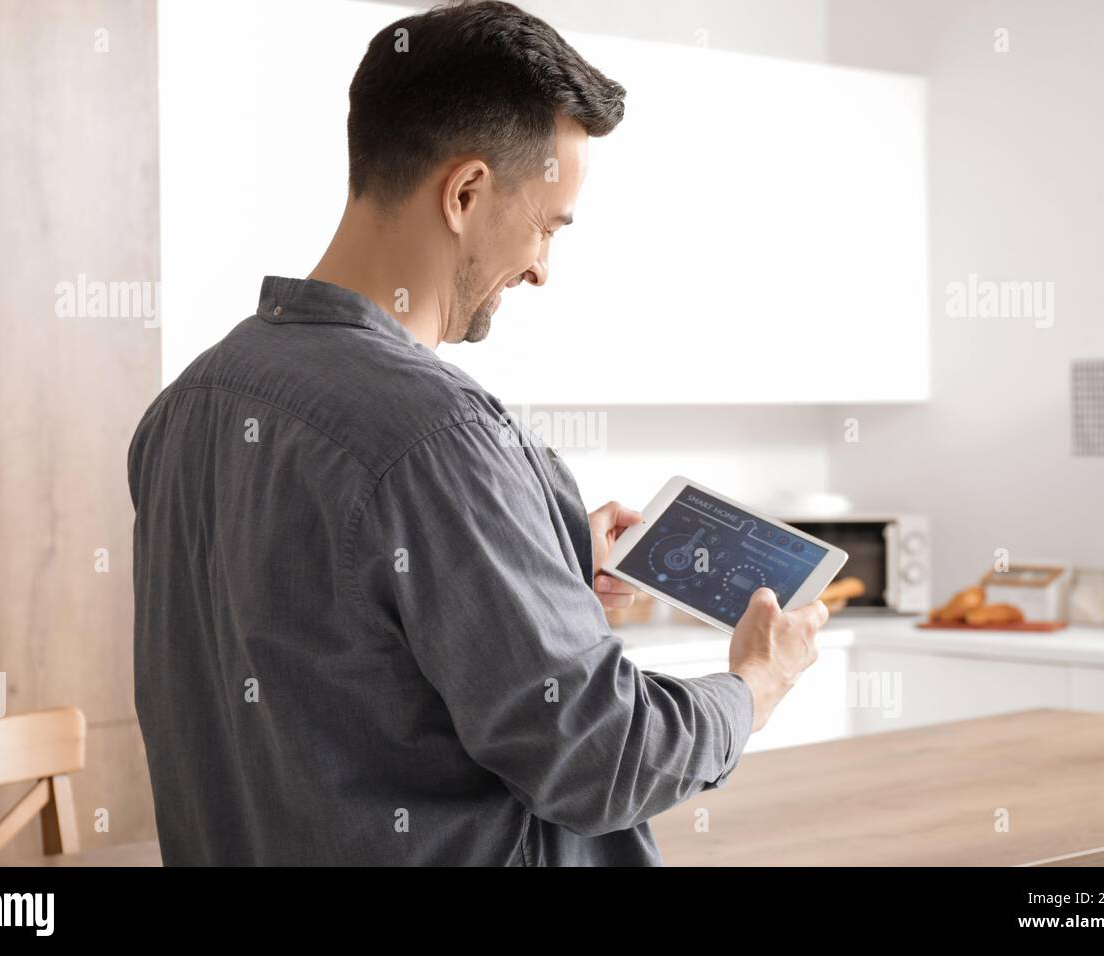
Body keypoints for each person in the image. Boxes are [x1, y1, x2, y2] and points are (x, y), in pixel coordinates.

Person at [128, 0, 827, 866]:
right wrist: (755, 684)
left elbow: (335, 649)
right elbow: (601, 760)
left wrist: (546, 558)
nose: (542, 268)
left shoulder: (185, 409)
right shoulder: (438, 439)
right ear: (464, 193)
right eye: (547, 224)